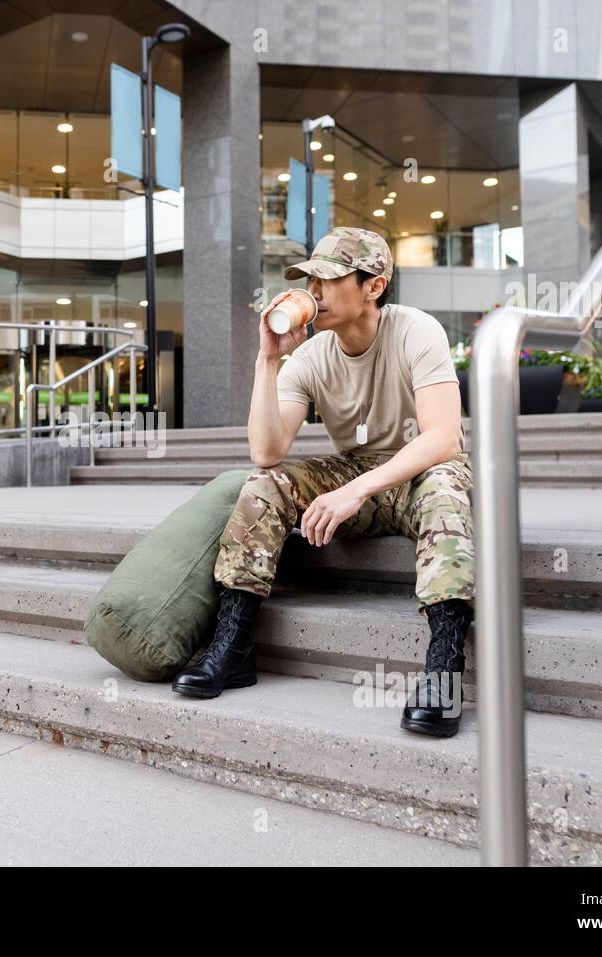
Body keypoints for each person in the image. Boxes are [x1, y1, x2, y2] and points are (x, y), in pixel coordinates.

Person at [171, 227, 475, 738]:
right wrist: (269, 360)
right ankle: (235, 645)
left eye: (329, 280)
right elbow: (267, 452)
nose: (314, 291)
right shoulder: (310, 356)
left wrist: (357, 490)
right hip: (354, 471)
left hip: (417, 471)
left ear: (373, 286)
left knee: (444, 485)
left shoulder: (416, 330)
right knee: (266, 482)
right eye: (310, 279)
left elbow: (443, 438)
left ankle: (444, 667)